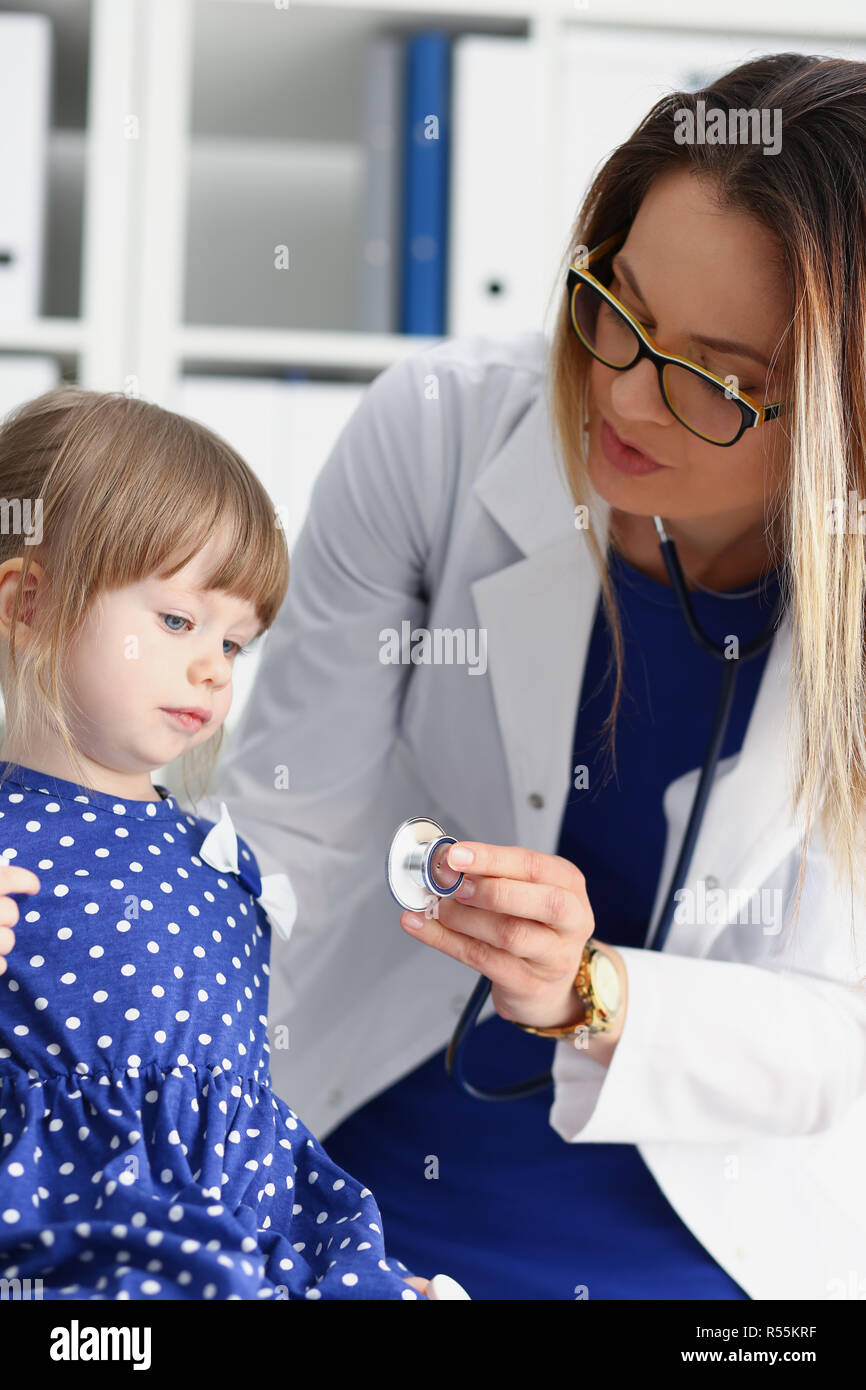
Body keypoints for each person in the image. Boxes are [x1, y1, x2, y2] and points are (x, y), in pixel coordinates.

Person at [201, 51, 866, 1301]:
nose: (620, 391)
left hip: (716, 1201)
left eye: (719, 382)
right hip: (387, 1125)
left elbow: (842, 1031)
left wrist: (586, 989)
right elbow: (285, 834)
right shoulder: (441, 431)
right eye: (616, 305)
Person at [0, 386, 447, 1300]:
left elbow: (245, 1131)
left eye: (237, 643)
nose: (212, 665)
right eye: (177, 621)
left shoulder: (219, 863)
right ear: (29, 602)